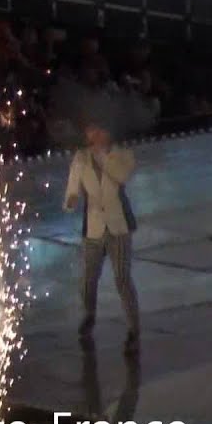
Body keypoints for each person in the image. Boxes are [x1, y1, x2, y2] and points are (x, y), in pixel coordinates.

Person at [64, 117, 140, 353]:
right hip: (94, 228)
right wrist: (71, 199)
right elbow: (73, 187)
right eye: (90, 131)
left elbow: (121, 176)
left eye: (97, 130)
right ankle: (89, 314)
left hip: (118, 227)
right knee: (88, 279)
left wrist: (103, 156)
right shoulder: (81, 158)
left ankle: (133, 329)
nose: (92, 135)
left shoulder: (122, 155)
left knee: (122, 279)